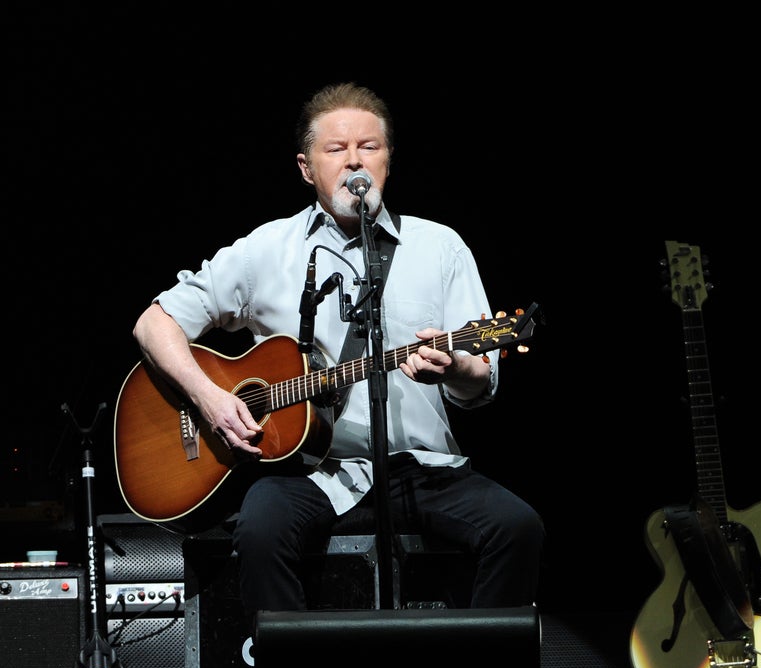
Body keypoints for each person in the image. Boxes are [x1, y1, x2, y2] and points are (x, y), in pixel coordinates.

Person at [132, 82, 544, 616]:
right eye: (337, 149)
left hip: (422, 470)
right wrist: (209, 397)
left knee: (517, 528)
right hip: (313, 475)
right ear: (307, 169)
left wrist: (456, 366)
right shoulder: (268, 250)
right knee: (259, 530)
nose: (355, 160)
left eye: (370, 147)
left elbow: (479, 382)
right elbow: (153, 324)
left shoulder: (440, 246)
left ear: (389, 161)